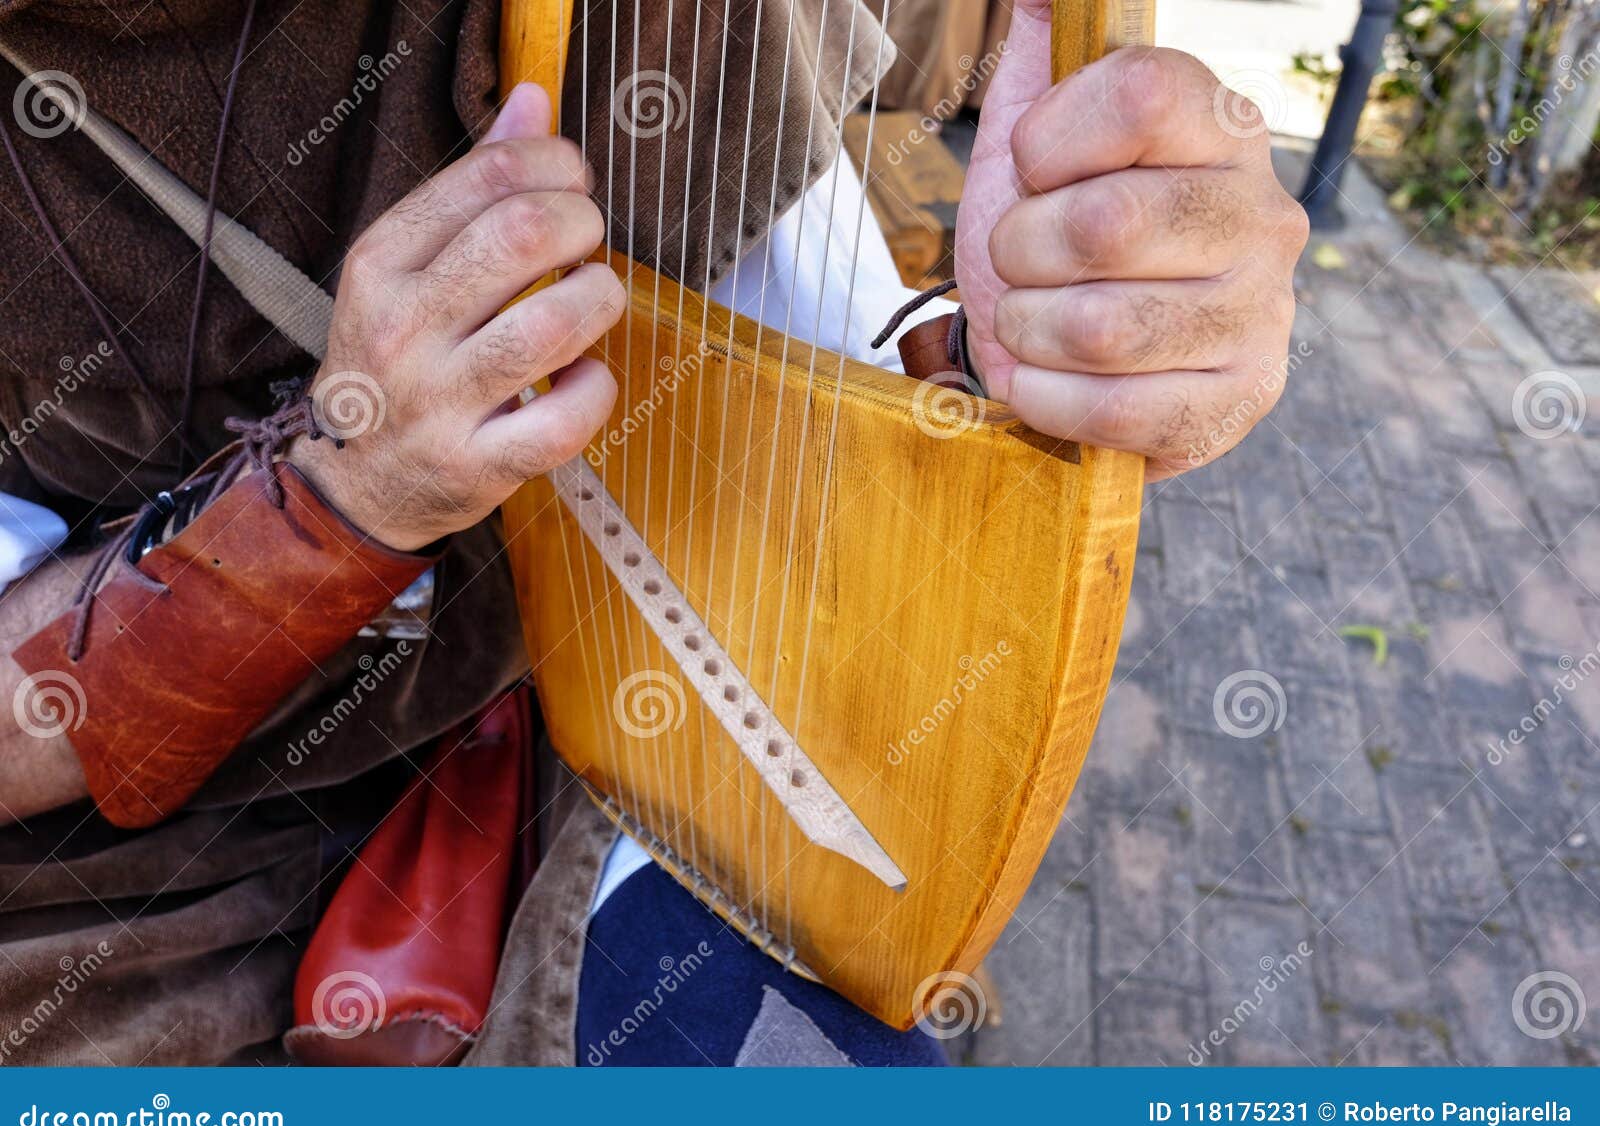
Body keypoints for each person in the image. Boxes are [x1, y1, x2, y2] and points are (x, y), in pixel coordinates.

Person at [0, 0, 1306, 1065]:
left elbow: (949, 99)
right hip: (166, 878)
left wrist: (1100, 302)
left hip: (668, 703)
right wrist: (342, 500)